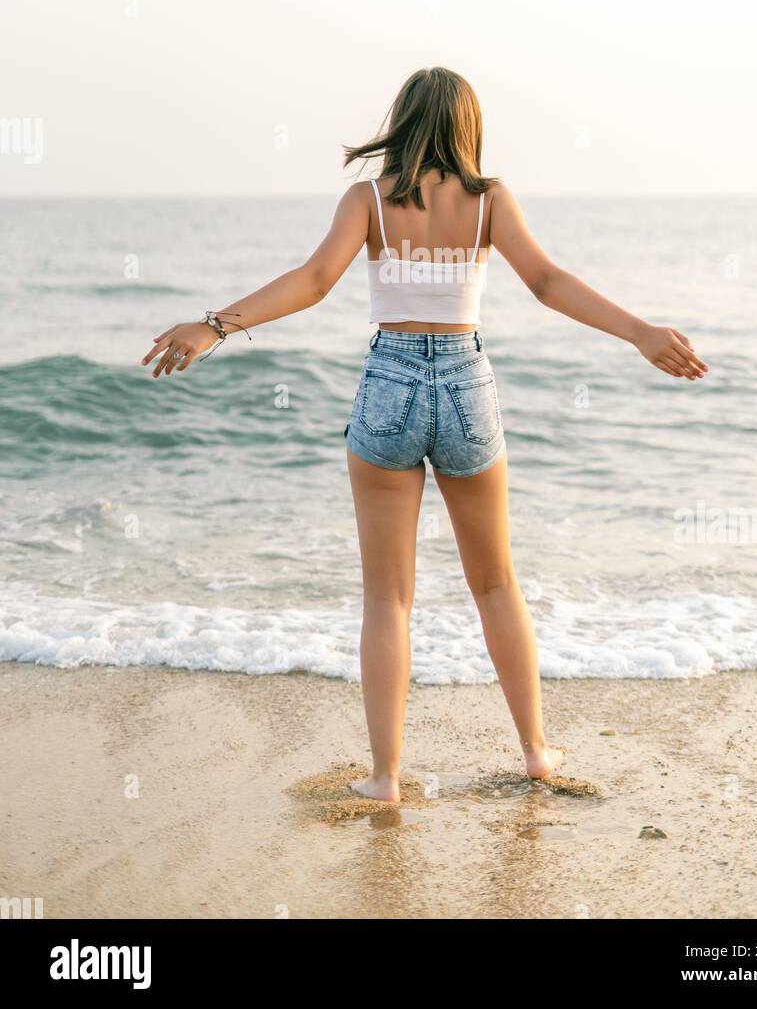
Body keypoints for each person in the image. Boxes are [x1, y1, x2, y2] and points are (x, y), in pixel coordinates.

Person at [141, 66, 708, 802]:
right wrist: (639, 331)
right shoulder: (488, 201)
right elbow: (546, 281)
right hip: (467, 384)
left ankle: (385, 778)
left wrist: (215, 325)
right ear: (469, 126)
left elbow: (314, 282)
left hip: (391, 382)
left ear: (403, 120)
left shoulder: (370, 199)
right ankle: (537, 751)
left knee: (389, 598)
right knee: (497, 583)